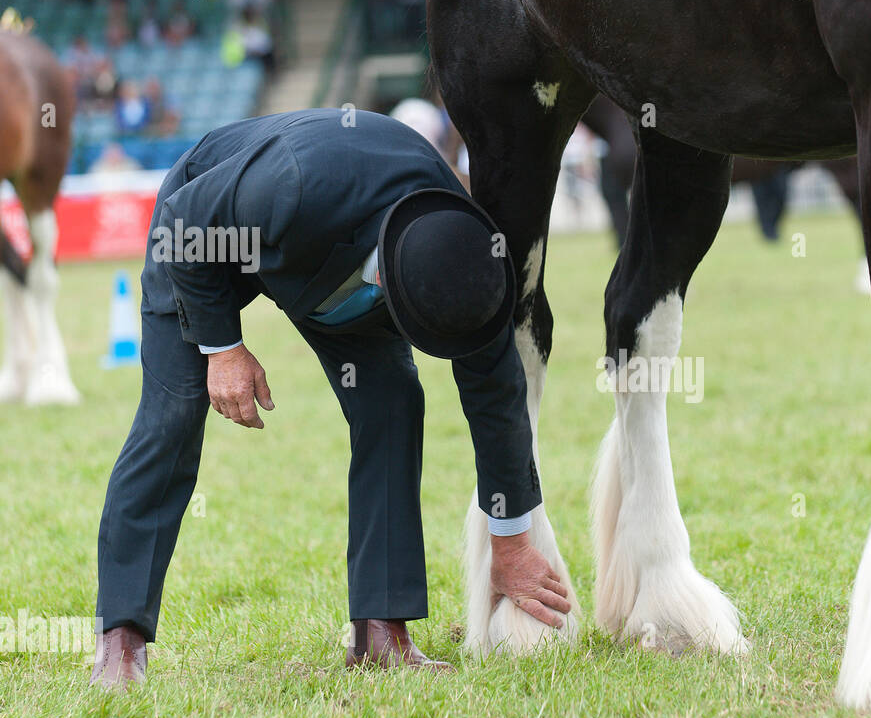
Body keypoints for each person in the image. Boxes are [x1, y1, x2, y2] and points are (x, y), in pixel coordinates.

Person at [91, 109, 570, 687]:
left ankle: (379, 631)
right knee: (173, 413)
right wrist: (222, 348)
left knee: (391, 401)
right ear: (387, 287)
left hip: (342, 257)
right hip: (205, 233)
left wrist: (512, 539)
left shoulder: (469, 266)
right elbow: (184, 222)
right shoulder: (293, 187)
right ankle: (120, 640)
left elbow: (499, 405)